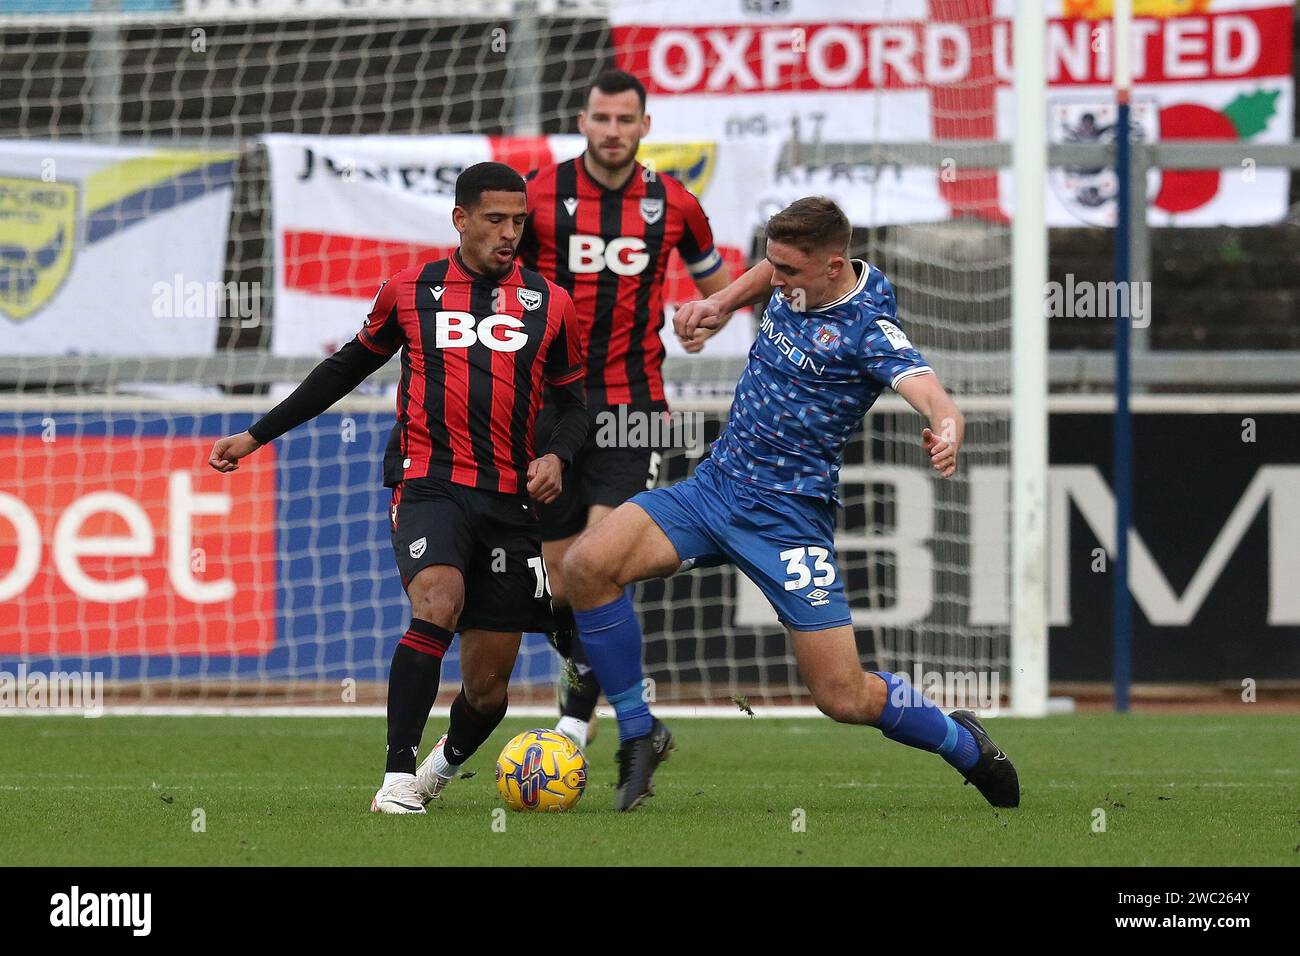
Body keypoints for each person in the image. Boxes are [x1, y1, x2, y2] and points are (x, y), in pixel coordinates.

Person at [561, 197, 1020, 811]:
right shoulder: (795, 274)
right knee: (587, 565)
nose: (775, 281)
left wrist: (947, 428)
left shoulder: (869, 331)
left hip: (788, 520)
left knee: (843, 696)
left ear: (833, 266)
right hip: (714, 488)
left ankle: (964, 745)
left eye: (789, 272)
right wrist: (722, 303)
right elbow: (766, 271)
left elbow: (936, 397)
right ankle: (640, 731)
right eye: (772, 266)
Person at [207, 162, 587, 814]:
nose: (509, 233)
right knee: (438, 600)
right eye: (495, 219)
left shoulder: (551, 303)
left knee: (489, 687)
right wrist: (256, 435)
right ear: (460, 219)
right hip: (429, 483)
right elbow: (343, 369)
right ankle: (394, 776)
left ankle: (437, 772)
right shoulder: (411, 291)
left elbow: (576, 405)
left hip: (509, 501)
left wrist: (557, 455)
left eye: (519, 221)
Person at [516, 69, 732, 751]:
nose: (613, 131)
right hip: (549, 410)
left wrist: (704, 319)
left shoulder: (675, 203)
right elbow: (501, 286)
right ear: (582, 122)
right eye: (601, 119)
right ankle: (588, 702)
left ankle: (576, 728)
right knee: (558, 585)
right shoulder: (540, 197)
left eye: (625, 120)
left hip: (631, 406)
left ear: (645, 127)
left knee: (595, 561)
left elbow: (716, 288)